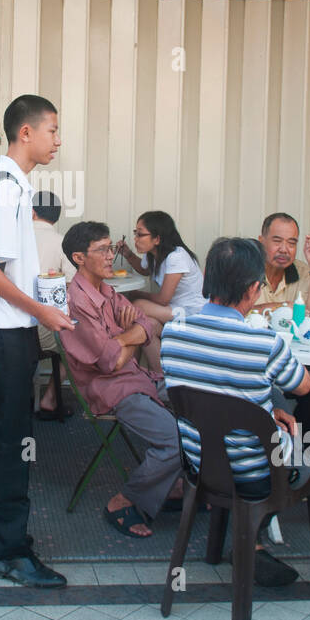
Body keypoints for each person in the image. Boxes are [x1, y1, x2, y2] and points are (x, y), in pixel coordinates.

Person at [160, 237, 310, 587]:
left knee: (264, 407)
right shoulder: (266, 345)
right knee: (294, 436)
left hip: (200, 464)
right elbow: (303, 385)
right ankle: (252, 545)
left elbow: (211, 385)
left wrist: (264, 410)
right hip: (255, 476)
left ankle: (239, 544)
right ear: (254, 289)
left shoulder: (172, 334)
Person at [0, 95, 73, 588]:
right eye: (52, 130)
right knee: (15, 444)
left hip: (4, 332)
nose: (58, 140)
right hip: (10, 335)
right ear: (25, 133)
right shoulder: (9, 189)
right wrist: (42, 310)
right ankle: (12, 552)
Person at [58, 222, 183, 539]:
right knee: (173, 439)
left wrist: (127, 338)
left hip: (138, 377)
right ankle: (124, 500)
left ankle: (174, 485)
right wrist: (132, 339)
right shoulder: (77, 301)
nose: (111, 255)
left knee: (202, 399)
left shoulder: (106, 290)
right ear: (78, 258)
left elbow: (149, 323)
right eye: (102, 249)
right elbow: (110, 362)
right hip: (112, 390)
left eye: (111, 247)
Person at [115, 210, 208, 326]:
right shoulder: (153, 254)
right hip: (174, 308)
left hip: (191, 312)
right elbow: (144, 270)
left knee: (137, 305)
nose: (135, 239)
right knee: (149, 325)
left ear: (157, 239)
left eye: (140, 234)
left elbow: (163, 300)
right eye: (135, 233)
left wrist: (136, 294)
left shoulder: (176, 257)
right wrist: (128, 254)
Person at [32, 191, 75, 419]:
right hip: (42, 330)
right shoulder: (61, 243)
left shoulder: (14, 238)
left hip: (7, 330)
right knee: (80, 342)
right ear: (57, 217)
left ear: (31, 212)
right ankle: (50, 398)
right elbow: (71, 287)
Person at [249, 213, 310, 318]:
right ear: (261, 241)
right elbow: (232, 312)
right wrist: (279, 307)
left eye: (291, 243)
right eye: (277, 241)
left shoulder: (303, 272)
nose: (284, 249)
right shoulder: (245, 268)